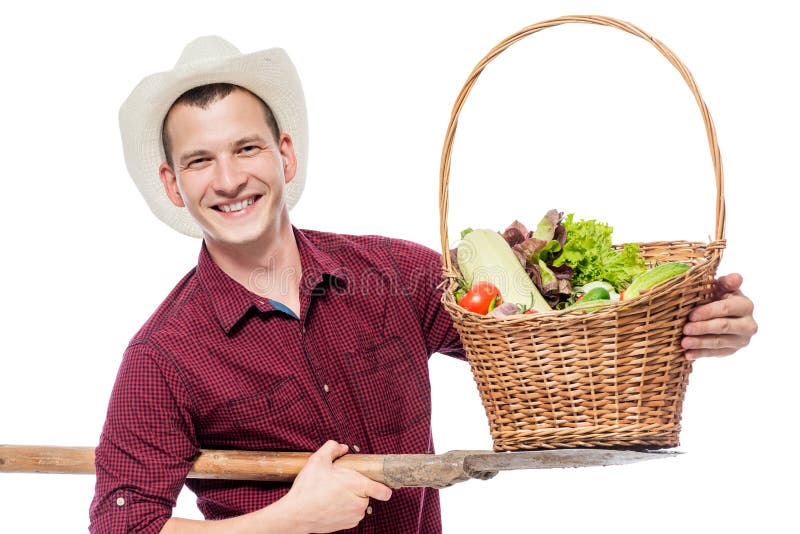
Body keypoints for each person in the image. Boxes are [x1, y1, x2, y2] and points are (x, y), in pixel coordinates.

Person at [89, 36, 757, 533]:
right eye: (201, 161)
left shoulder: (395, 276)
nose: (229, 180)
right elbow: (121, 526)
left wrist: (685, 323)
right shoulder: (165, 357)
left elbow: (543, 338)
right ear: (174, 184)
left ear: (285, 154)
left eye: (247, 148)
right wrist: (288, 519)